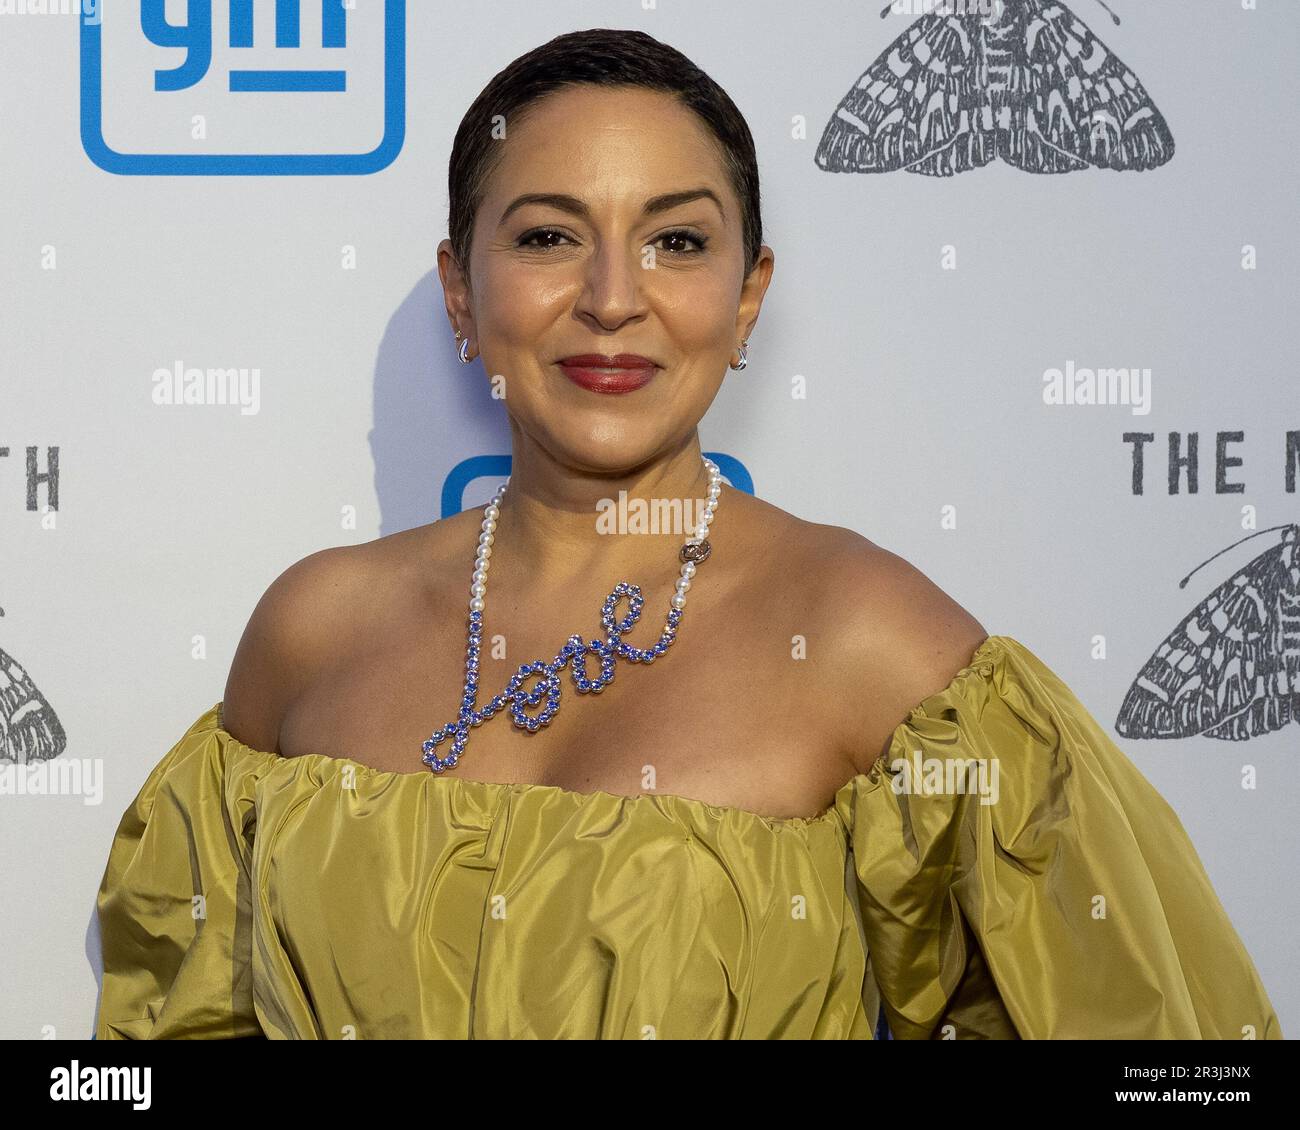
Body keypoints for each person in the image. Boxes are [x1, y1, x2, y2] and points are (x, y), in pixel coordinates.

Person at [94, 28, 1281, 1040]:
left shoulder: (869, 638)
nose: (613, 295)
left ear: (747, 295)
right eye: (548, 236)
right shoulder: (312, 628)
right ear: (462, 292)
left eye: (676, 239)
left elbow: (1162, 1040)